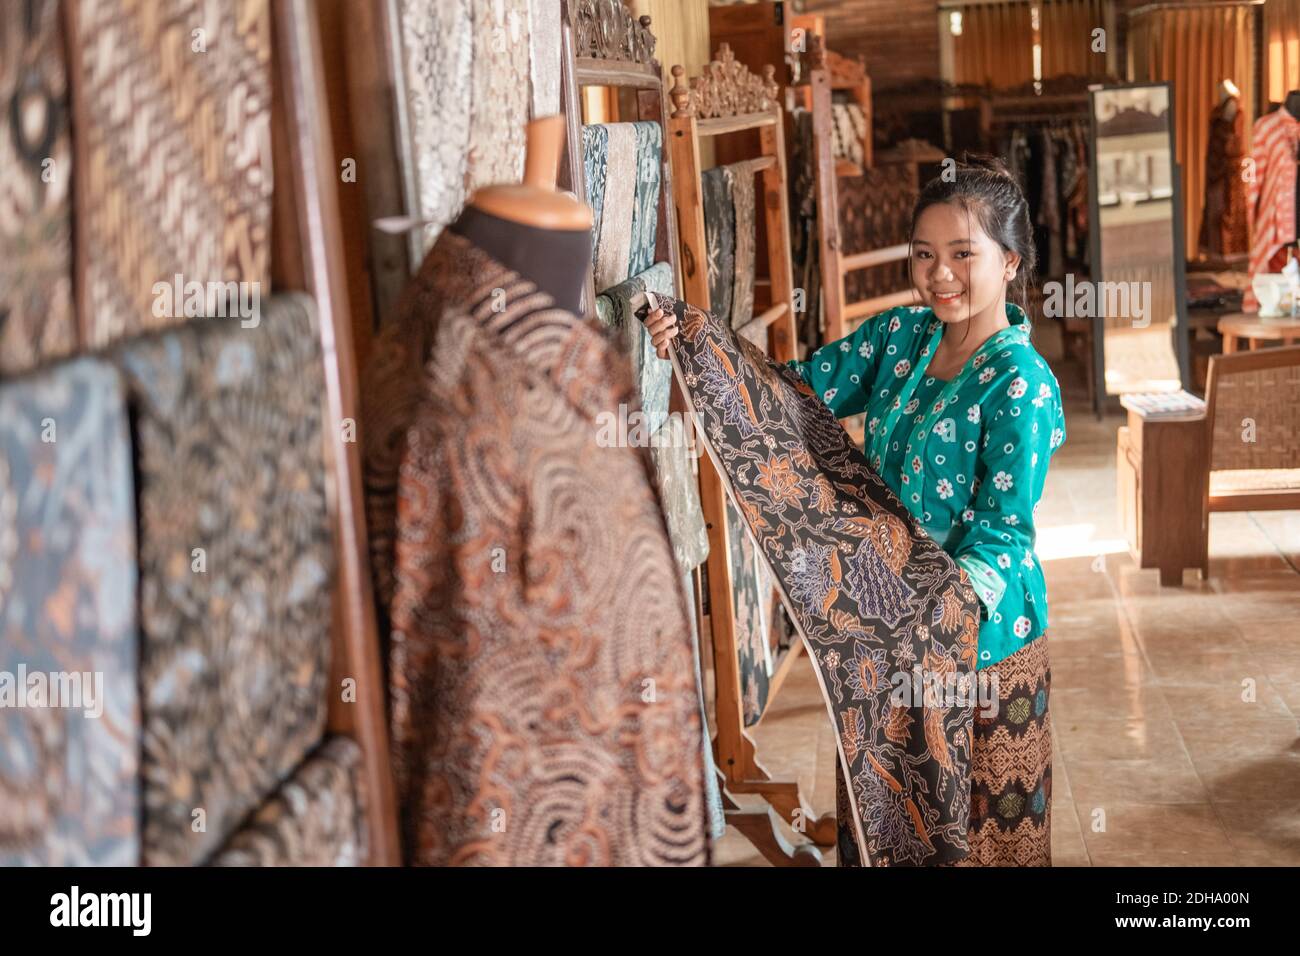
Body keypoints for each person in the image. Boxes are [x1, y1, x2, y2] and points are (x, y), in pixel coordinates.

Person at [645, 157, 1065, 865]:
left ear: (1011, 260)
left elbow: (1002, 535)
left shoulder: (1020, 383)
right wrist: (693, 343)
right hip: (883, 648)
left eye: (964, 254)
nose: (940, 276)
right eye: (925, 256)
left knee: (983, 841)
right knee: (884, 823)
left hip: (981, 646)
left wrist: (935, 618)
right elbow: (789, 395)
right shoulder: (903, 337)